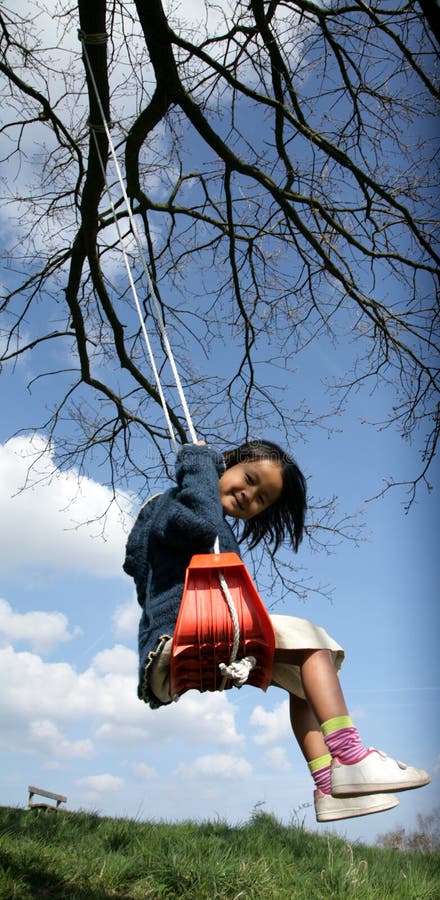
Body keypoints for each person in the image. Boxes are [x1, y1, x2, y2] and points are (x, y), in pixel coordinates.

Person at [124, 440, 430, 823]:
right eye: (248, 479)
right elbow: (197, 524)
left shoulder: (208, 521)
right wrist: (198, 461)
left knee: (307, 679)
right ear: (227, 463)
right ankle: (350, 755)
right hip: (180, 638)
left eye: (261, 499)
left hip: (202, 638)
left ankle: (329, 787)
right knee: (315, 644)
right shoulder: (179, 505)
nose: (247, 494)